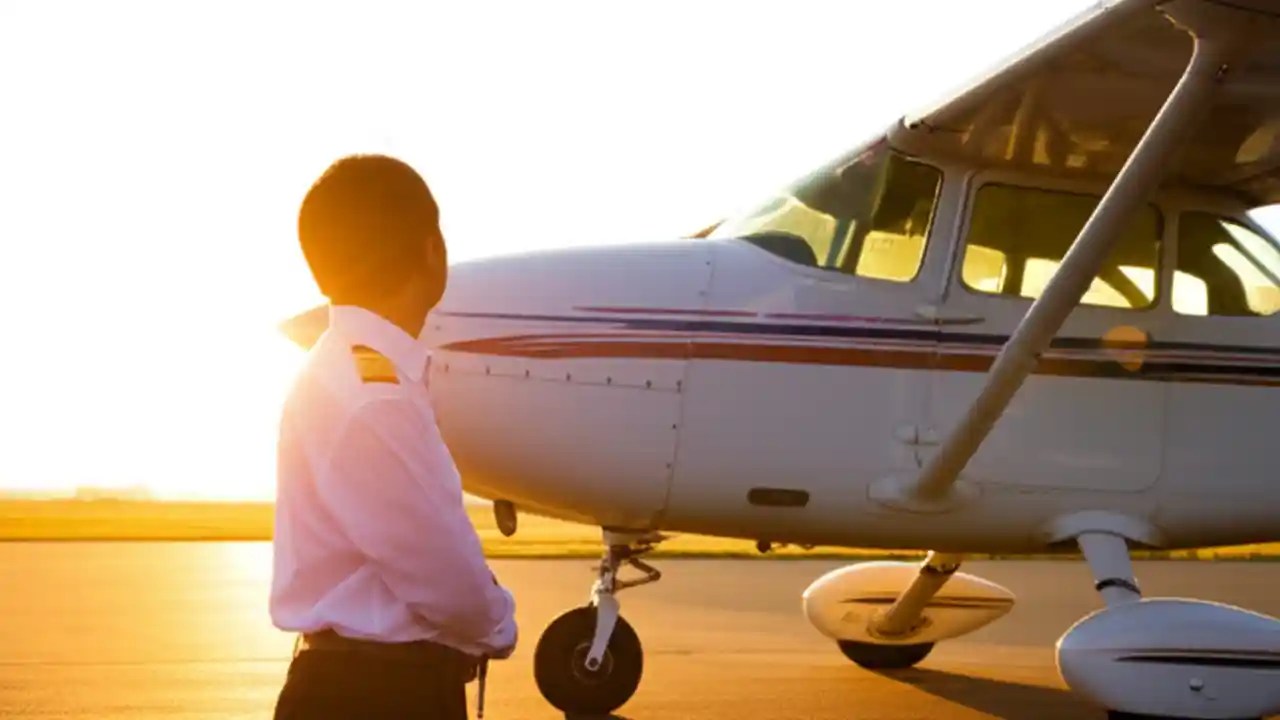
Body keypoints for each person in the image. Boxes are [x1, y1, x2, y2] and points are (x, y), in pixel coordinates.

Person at [270, 154, 517, 719]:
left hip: (348, 684)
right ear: (431, 249)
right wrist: (498, 621)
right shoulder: (376, 393)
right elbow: (437, 569)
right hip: (383, 692)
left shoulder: (337, 368)